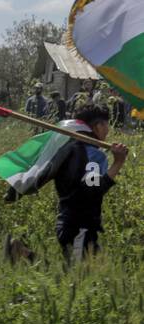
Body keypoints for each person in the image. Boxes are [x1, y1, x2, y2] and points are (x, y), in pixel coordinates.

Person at [53, 104, 128, 263]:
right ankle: (21, 253)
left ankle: (23, 254)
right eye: (105, 124)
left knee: (93, 273)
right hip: (80, 226)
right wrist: (118, 162)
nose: (108, 129)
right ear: (97, 126)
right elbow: (92, 190)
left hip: (69, 220)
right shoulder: (93, 155)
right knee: (77, 275)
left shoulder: (69, 149)